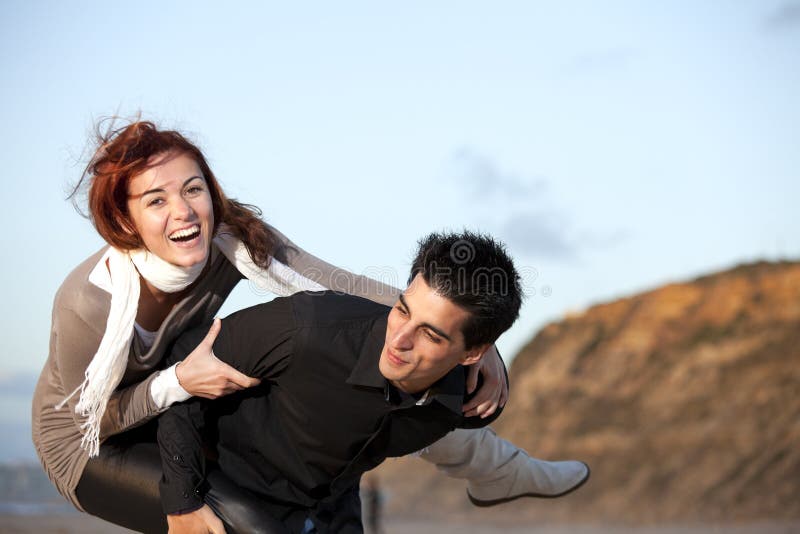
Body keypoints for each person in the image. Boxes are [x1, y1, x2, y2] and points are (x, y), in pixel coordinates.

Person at [31, 120, 589, 533]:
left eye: (192, 188)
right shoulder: (89, 302)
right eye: (156, 200)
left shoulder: (231, 237)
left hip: (178, 401)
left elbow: (346, 288)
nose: (183, 211)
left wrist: (477, 339)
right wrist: (175, 383)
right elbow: (88, 421)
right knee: (245, 522)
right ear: (125, 218)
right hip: (87, 443)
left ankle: (494, 467)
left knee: (378, 365)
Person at [158, 231, 523, 533]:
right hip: (223, 478)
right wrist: (182, 501)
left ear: (472, 353)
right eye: (402, 310)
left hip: (331, 505)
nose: (399, 340)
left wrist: (492, 358)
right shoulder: (309, 329)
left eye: (429, 334)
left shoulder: (470, 401)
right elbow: (185, 357)